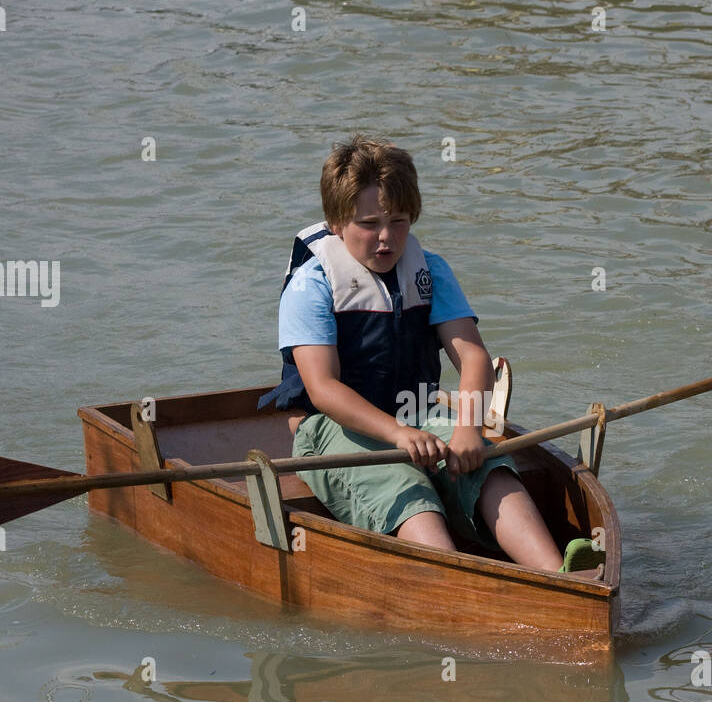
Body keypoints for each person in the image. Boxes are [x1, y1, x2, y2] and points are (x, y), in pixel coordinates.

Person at [257, 135, 602, 575]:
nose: (386, 238)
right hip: (331, 431)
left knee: (489, 467)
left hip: (418, 413)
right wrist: (399, 435)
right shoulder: (312, 285)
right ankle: (456, 583)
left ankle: (560, 576)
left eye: (398, 221)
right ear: (336, 222)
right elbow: (322, 389)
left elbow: (475, 359)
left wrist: (468, 431)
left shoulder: (430, 270)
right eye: (369, 223)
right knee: (409, 494)